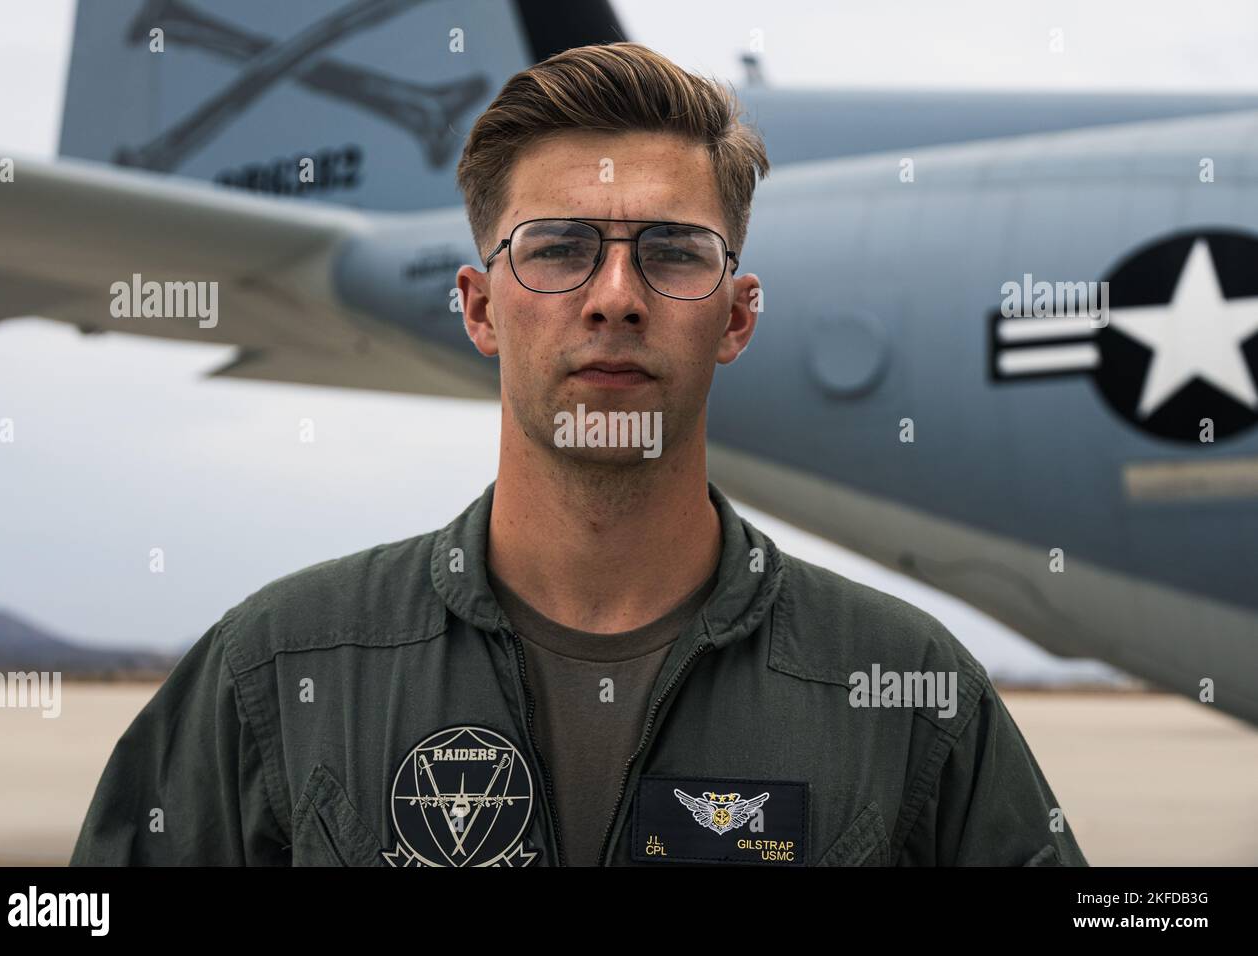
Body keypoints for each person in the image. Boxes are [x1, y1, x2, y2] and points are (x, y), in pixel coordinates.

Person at [70, 41, 1086, 867]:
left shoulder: (905, 690)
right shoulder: (278, 672)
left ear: (735, 318)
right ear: (477, 308)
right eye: (557, 248)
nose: (614, 295)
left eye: (672, 251)